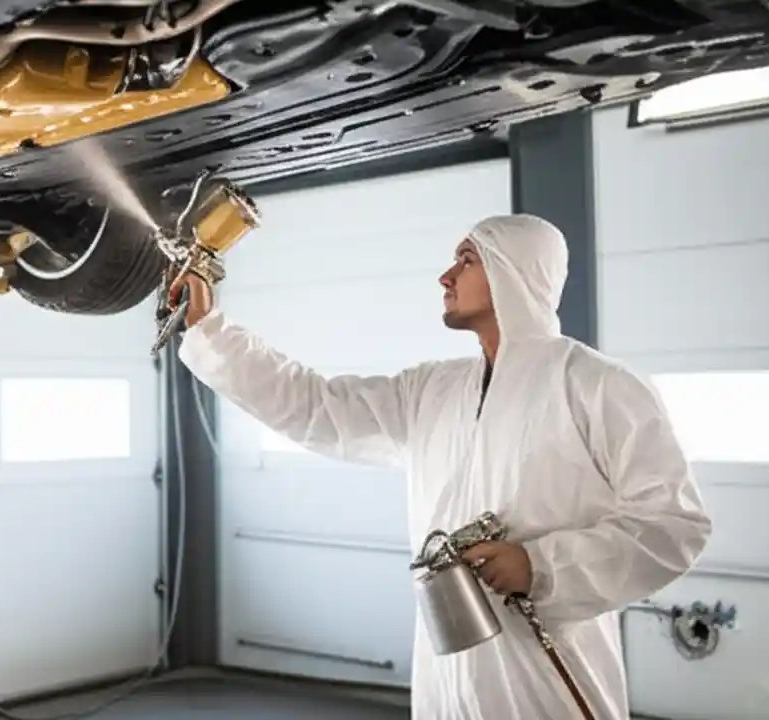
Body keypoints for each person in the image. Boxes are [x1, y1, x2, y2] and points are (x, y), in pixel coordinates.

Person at [170, 213, 711, 719]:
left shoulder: (597, 385)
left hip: (547, 674)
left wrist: (541, 566)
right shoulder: (434, 389)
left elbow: (672, 526)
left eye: (466, 259)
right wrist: (209, 328)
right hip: (447, 670)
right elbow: (315, 404)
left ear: (512, 271)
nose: (444, 276)